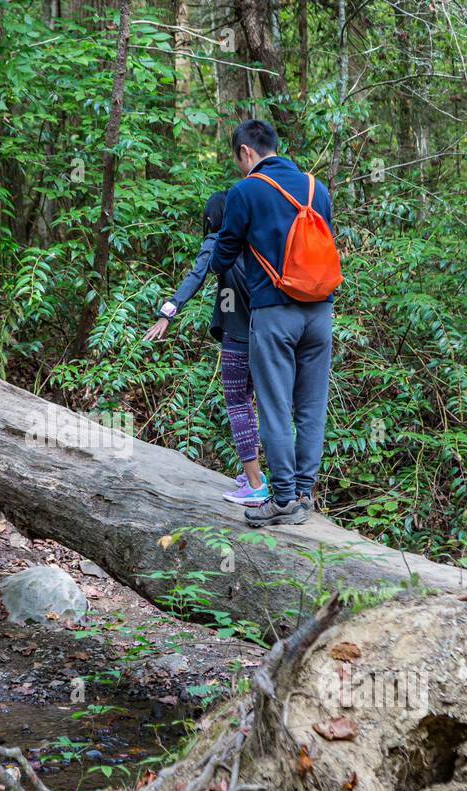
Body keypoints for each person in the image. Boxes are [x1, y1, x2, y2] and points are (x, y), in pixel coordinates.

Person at [211, 119, 336, 528]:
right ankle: (304, 492)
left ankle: (282, 499)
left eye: (238, 160)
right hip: (320, 312)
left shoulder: (245, 191)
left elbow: (223, 255)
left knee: (274, 407)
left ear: (246, 153)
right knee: (312, 407)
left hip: (274, 313)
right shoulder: (318, 189)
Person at [144, 192, 264, 506]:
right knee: (253, 403)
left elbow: (196, 275)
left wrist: (167, 313)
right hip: (268, 332)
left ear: (211, 219)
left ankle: (254, 485)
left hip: (238, 335)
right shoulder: (255, 238)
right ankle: (258, 477)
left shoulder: (219, 239)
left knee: (238, 404)